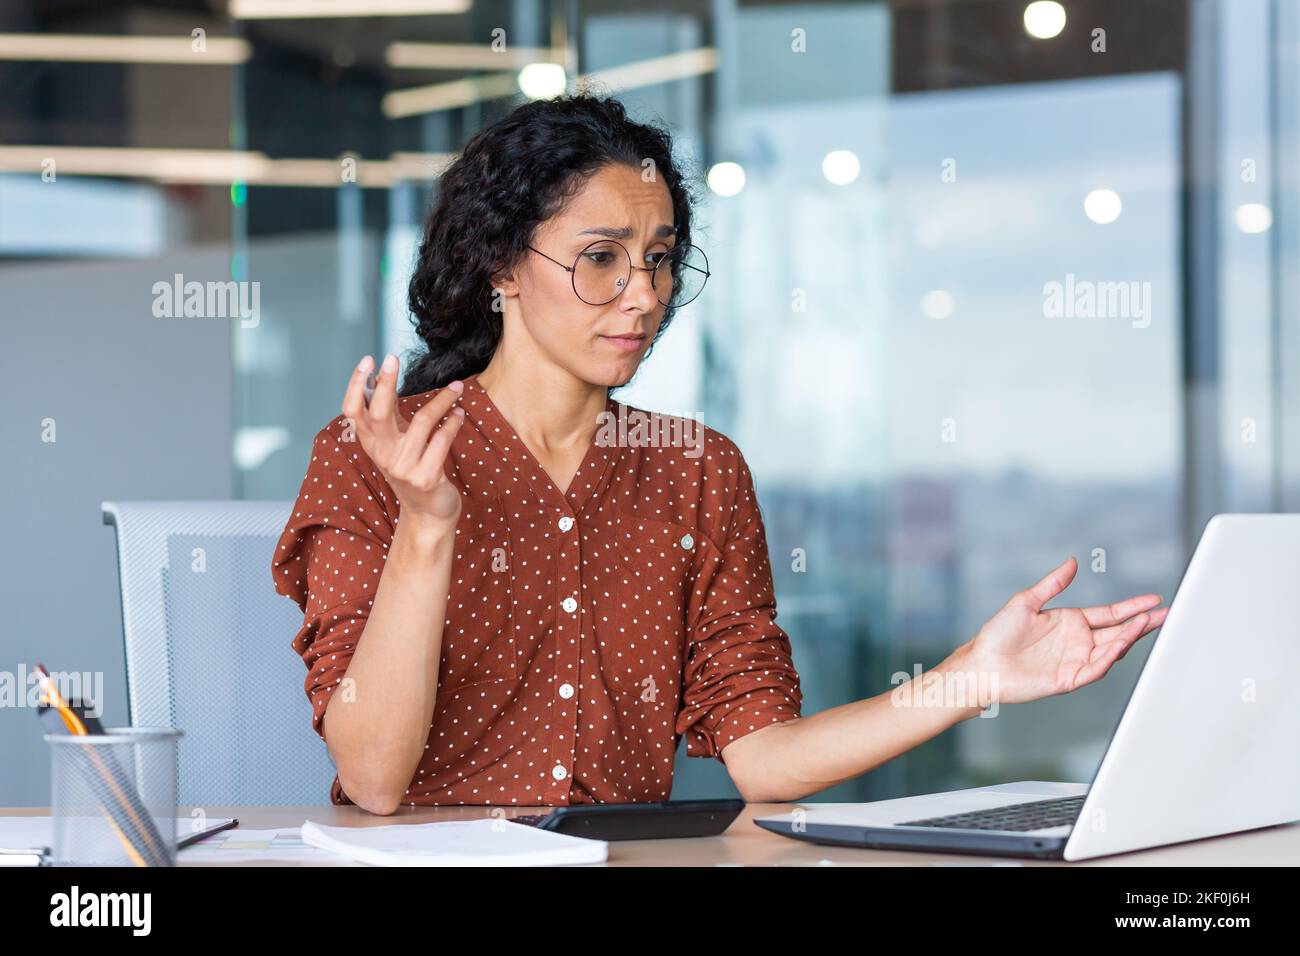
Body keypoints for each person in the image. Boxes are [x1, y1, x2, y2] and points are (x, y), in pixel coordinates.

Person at [271, 93, 1168, 814]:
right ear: (502, 268)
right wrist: (429, 527)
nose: (641, 295)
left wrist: (971, 678)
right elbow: (377, 779)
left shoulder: (695, 469)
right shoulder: (374, 452)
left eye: (660, 259)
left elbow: (766, 761)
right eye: (600, 258)